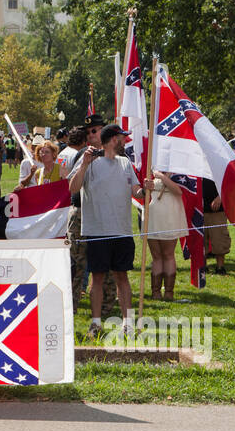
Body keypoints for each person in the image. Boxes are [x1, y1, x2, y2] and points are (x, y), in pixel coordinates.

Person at [69, 122, 145, 337]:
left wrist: (144, 189)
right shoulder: (90, 160)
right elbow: (72, 188)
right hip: (97, 229)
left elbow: (135, 190)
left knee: (123, 276)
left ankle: (128, 323)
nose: (125, 141)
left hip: (122, 229)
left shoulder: (125, 163)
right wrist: (83, 165)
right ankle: (95, 323)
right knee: (98, 277)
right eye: (123, 137)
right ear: (114, 139)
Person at [67, 114, 105, 306]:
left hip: (104, 215)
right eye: (87, 132)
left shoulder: (116, 154)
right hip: (81, 212)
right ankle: (72, 303)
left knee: (103, 263)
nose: (90, 135)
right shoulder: (82, 154)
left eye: (94, 131)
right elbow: (72, 186)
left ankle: (103, 305)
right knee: (76, 262)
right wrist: (85, 163)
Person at [144, 171, 186, 300]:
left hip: (170, 214)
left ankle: (169, 293)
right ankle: (155, 292)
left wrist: (162, 177)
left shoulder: (177, 170)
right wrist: (147, 185)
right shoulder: (152, 169)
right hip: (153, 215)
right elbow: (144, 193)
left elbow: (179, 191)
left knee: (168, 255)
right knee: (156, 256)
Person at [200, 177, 230, 276]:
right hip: (198, 209)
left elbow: (229, 181)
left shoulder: (219, 162)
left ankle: (220, 267)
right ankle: (203, 266)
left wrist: (220, 197)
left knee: (219, 239)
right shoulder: (194, 163)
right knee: (200, 240)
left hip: (217, 210)